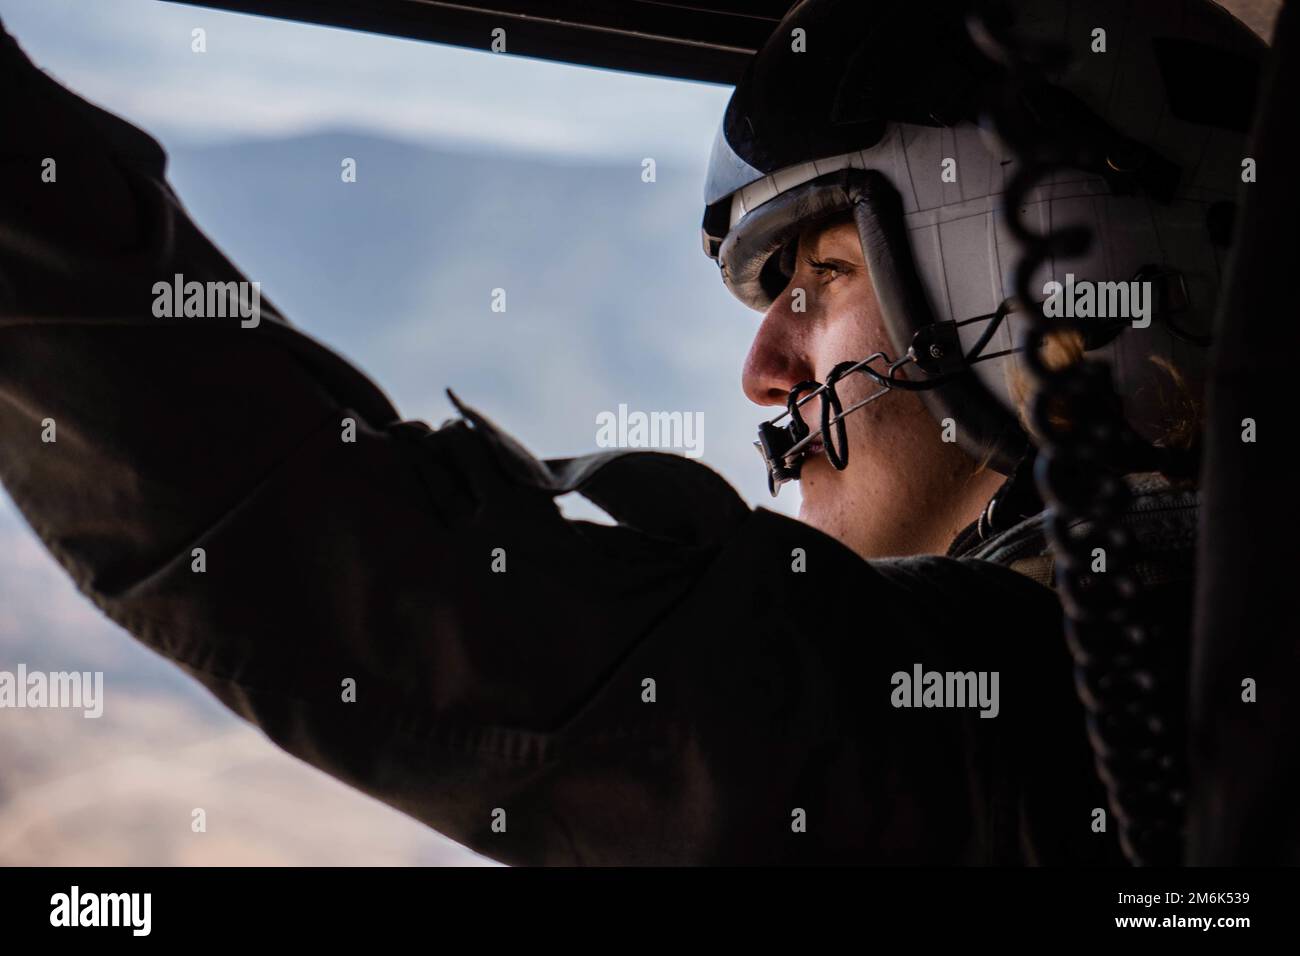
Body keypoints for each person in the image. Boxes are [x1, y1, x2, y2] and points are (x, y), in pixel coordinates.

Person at [0, 0, 1264, 865]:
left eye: (815, 284)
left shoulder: (1048, 719)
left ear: (1047, 263)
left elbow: (371, 581)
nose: (765, 371)